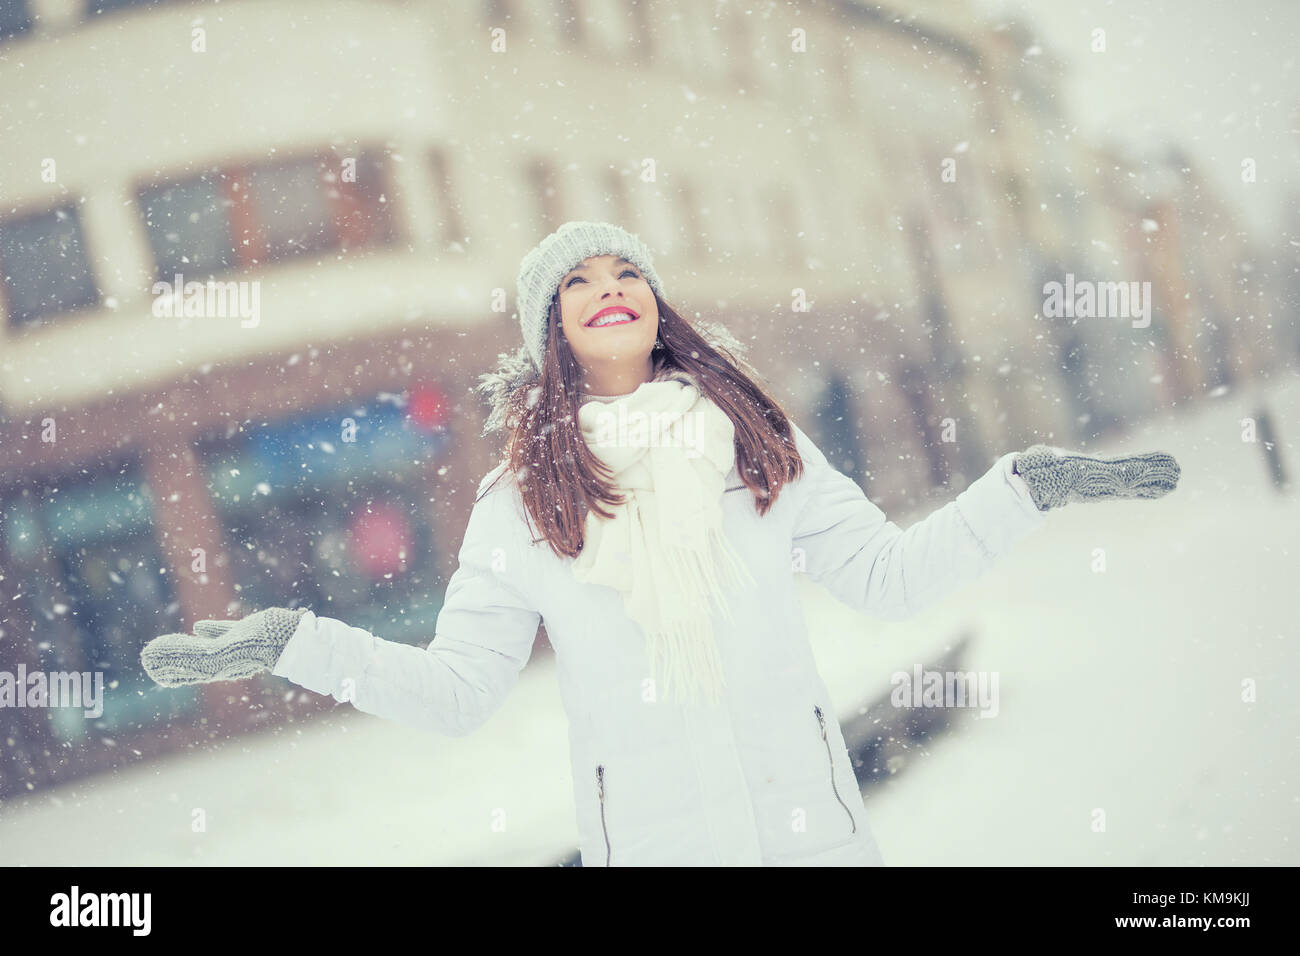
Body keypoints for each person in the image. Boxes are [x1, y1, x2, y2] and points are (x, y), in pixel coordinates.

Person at [141, 221, 1181, 866]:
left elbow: (889, 577)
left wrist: (1023, 488)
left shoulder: (759, 446)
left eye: (626, 271)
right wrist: (295, 642)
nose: (609, 287)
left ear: (656, 304)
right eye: (578, 281)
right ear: (549, 330)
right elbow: (457, 693)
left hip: (812, 838)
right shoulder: (522, 503)